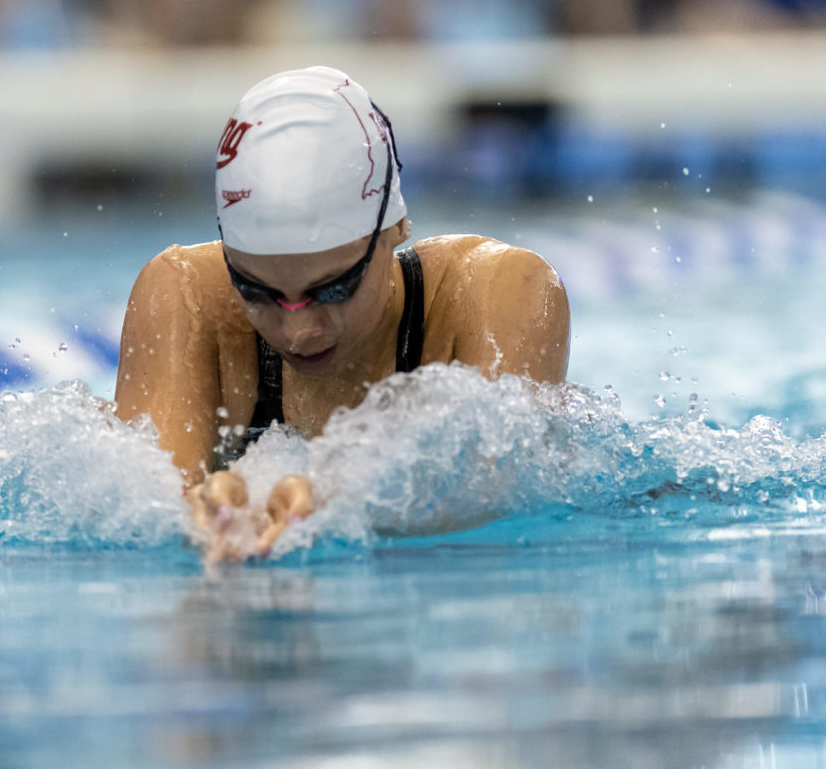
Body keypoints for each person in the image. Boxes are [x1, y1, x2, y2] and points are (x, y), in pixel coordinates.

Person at [114, 66, 570, 559]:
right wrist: (197, 517)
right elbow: (146, 511)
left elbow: (496, 496)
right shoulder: (184, 293)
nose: (298, 332)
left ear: (395, 227)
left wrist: (339, 503)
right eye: (255, 290)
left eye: (334, 288)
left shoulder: (500, 290)